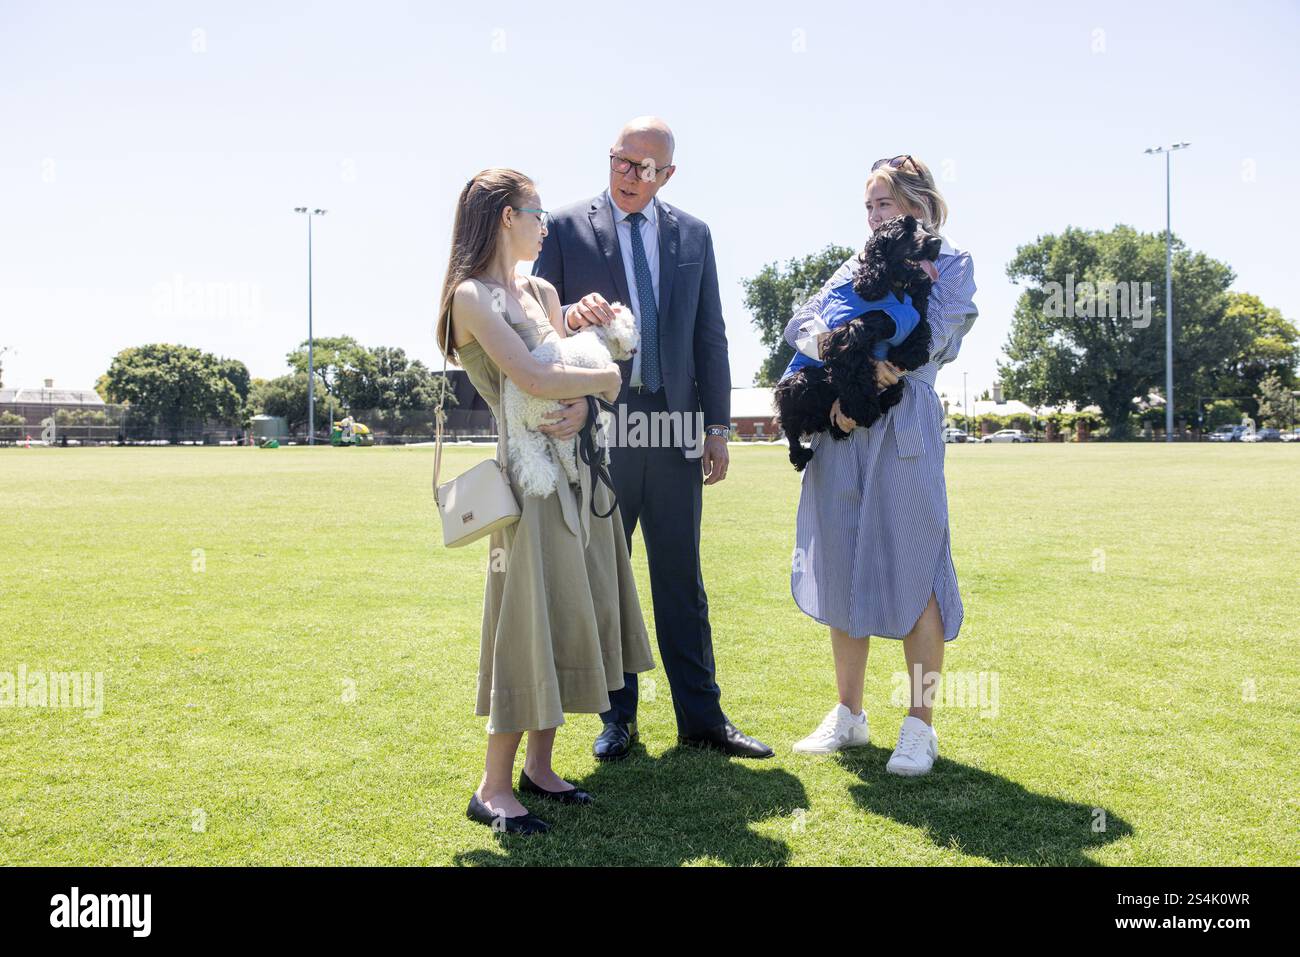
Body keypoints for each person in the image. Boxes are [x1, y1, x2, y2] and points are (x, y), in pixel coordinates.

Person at [533, 116, 773, 760]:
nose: (631, 177)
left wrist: (717, 427)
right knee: (609, 579)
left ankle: (703, 721)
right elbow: (537, 327)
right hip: (600, 427)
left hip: (675, 430)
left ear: (669, 174)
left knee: (680, 578)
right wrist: (568, 315)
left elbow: (710, 336)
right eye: (621, 162)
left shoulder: (694, 235)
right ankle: (619, 720)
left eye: (646, 168)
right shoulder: (561, 228)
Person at [436, 168, 656, 834]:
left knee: (565, 612)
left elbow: (564, 374)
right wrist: (610, 378)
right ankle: (492, 787)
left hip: (579, 474)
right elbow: (533, 375)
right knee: (524, 621)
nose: (545, 222)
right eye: (536, 211)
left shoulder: (541, 288)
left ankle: (540, 766)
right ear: (507, 216)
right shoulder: (469, 297)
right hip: (525, 486)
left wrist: (589, 399)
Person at [785, 155, 977, 776]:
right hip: (842, 424)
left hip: (904, 429)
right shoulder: (853, 263)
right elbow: (799, 326)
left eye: (883, 205)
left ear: (917, 205)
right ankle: (849, 715)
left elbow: (932, 342)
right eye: (867, 206)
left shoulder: (953, 264)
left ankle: (919, 726)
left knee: (914, 564)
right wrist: (840, 374)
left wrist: (859, 362)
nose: (872, 217)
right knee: (842, 561)